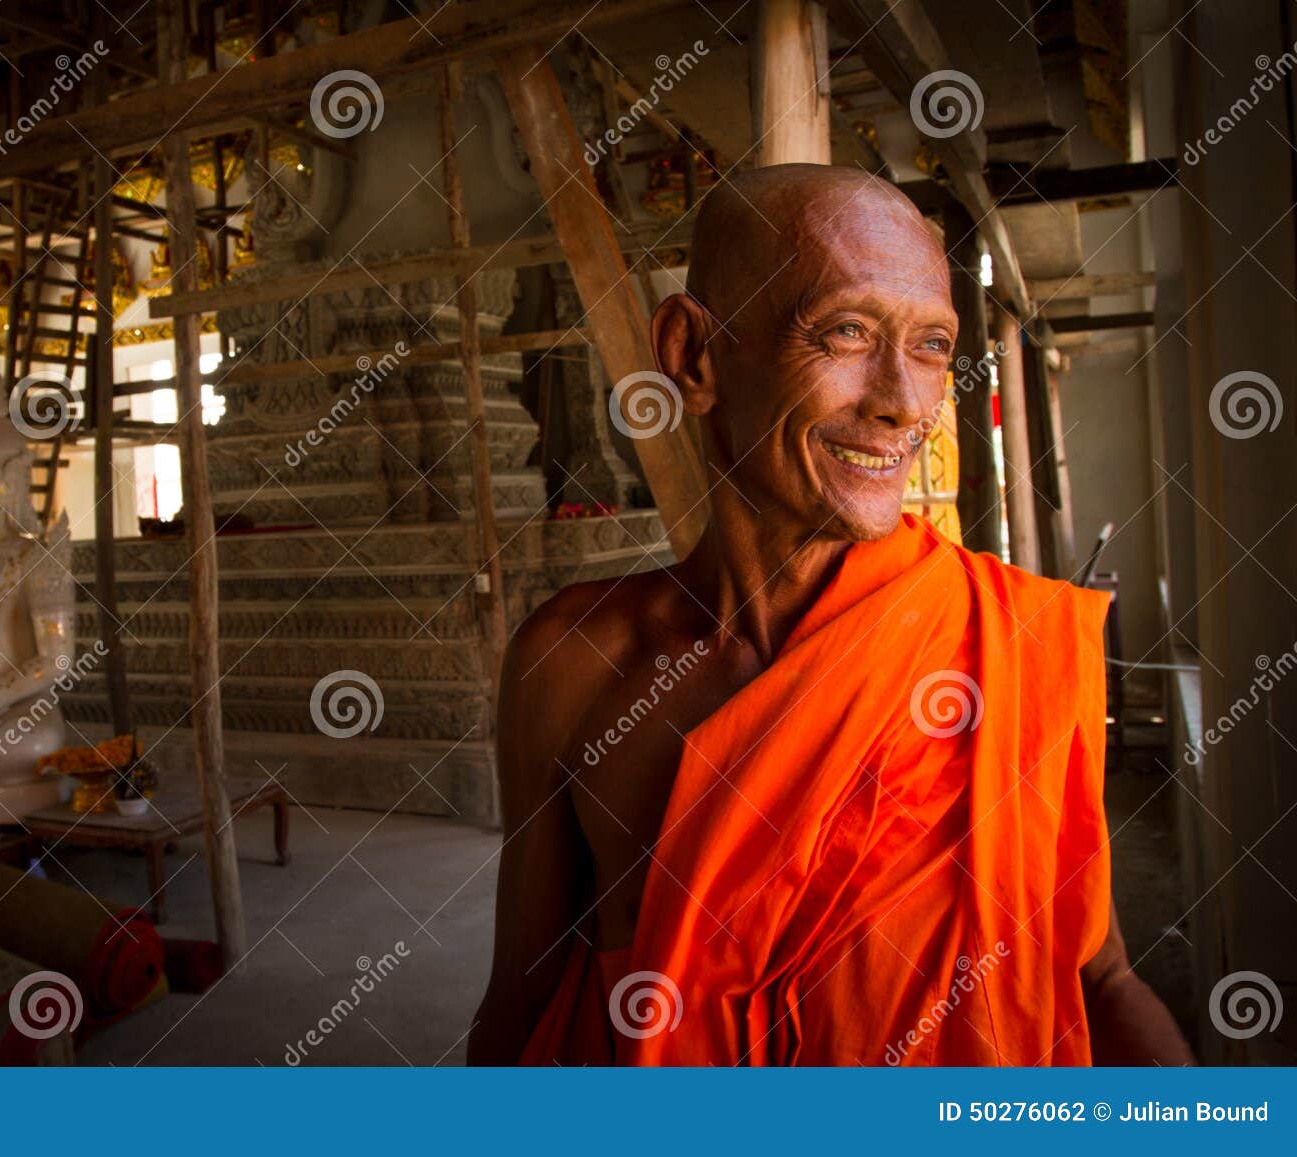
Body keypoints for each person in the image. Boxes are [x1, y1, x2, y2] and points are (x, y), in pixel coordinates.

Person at [468, 164, 1190, 1066]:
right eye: (846, 331)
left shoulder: (1009, 641)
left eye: (931, 345)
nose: (903, 402)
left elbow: (1102, 979)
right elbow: (522, 1003)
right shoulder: (574, 664)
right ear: (694, 356)